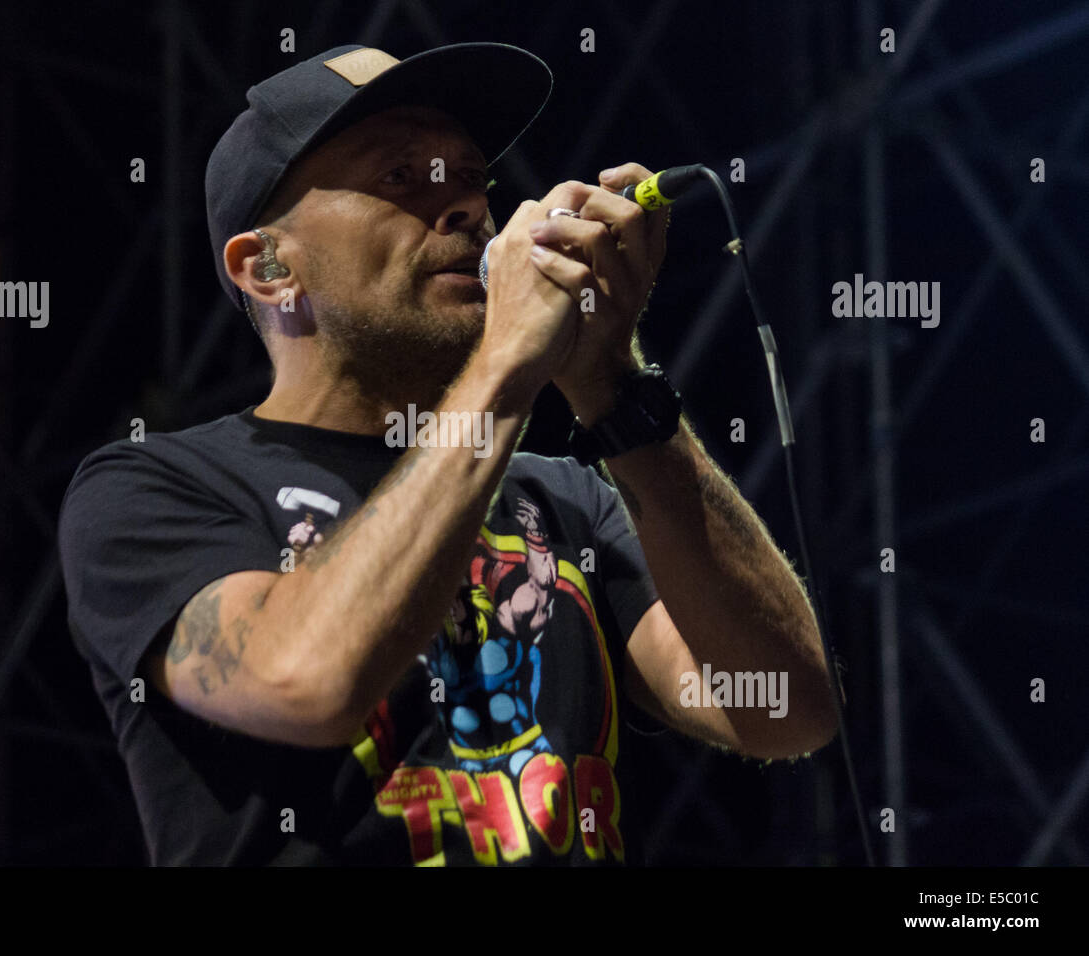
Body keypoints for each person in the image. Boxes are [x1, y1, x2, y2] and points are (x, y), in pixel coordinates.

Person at [57, 42, 838, 866]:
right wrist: (506, 366)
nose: (468, 204)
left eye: (472, 177)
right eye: (401, 177)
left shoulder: (564, 497)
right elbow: (306, 681)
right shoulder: (152, 487)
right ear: (270, 267)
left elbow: (787, 709)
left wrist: (615, 388)